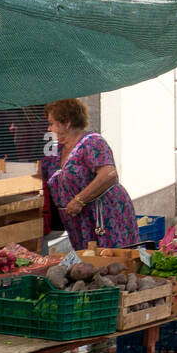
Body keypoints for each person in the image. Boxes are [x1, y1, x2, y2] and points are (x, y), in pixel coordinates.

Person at [39, 98, 140, 250]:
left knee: (113, 262)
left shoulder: (92, 142)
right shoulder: (57, 151)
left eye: (52, 123)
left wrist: (79, 200)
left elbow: (109, 174)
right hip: (79, 222)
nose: (49, 128)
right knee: (88, 264)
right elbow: (40, 174)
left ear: (66, 123)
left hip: (106, 215)